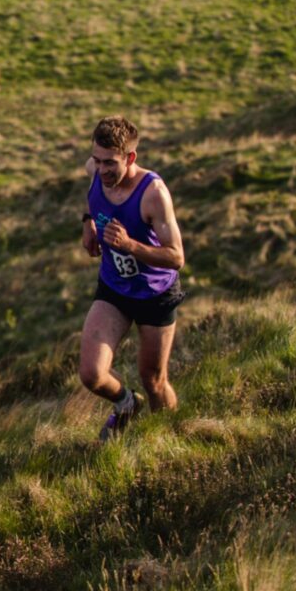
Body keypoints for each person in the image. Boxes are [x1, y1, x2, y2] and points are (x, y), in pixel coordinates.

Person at [79, 116, 187, 439]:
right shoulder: (95, 170)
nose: (102, 170)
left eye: (110, 163)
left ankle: (167, 440)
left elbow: (176, 257)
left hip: (155, 295)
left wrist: (129, 245)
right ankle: (126, 404)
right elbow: (90, 187)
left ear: (130, 158)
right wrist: (88, 222)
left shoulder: (153, 193)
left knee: (153, 380)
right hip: (114, 288)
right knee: (91, 373)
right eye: (97, 161)